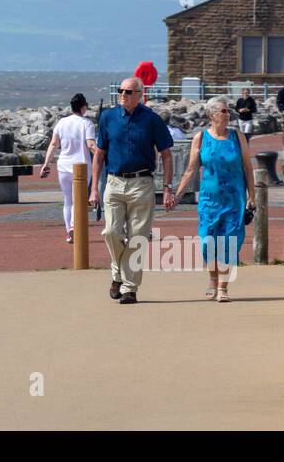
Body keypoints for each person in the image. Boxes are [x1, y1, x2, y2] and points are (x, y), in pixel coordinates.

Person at [88, 77, 175, 305]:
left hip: (142, 184)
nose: (123, 94)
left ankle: (130, 288)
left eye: (128, 91)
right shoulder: (107, 117)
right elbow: (99, 154)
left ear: (139, 95)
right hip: (114, 183)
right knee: (111, 232)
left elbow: (166, 154)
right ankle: (117, 272)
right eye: (121, 90)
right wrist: (94, 188)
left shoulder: (152, 120)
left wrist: (168, 187)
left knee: (137, 238)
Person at [175, 97, 255, 302]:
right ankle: (212, 277)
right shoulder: (200, 138)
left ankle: (223, 287)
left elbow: (247, 167)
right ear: (212, 115)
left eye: (228, 111)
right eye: (223, 111)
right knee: (207, 243)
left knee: (229, 243)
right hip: (209, 201)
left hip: (234, 200)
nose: (227, 115)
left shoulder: (237, 137)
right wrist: (177, 195)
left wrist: (251, 196)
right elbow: (191, 170)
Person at [39, 93, 97, 243]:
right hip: (82, 166)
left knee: (68, 201)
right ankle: (73, 227)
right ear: (83, 107)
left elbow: (53, 144)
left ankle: (69, 231)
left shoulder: (61, 122)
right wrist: (103, 155)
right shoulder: (87, 123)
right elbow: (90, 144)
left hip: (63, 165)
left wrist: (46, 164)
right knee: (79, 200)